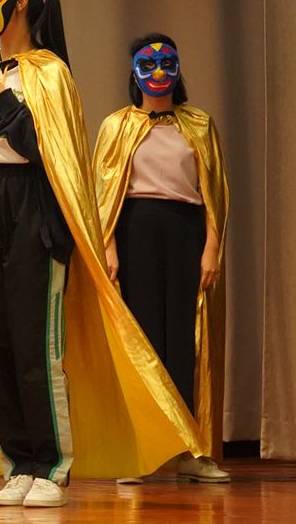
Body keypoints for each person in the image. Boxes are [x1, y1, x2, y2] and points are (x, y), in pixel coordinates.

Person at [0, 0, 203, 508]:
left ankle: (51, 466)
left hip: (32, 210)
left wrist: (1, 96)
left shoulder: (50, 73)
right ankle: (17, 464)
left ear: (20, 2)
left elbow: (47, 153)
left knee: (35, 345)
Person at [94, 34, 230, 483]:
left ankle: (193, 450)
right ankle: (142, 449)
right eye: (148, 63)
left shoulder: (199, 124)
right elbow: (103, 193)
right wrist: (109, 246)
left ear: (179, 66)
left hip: (186, 231)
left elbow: (215, 193)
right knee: (143, 338)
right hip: (136, 231)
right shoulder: (117, 125)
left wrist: (211, 248)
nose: (158, 71)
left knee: (184, 340)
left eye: (167, 61)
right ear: (133, 71)